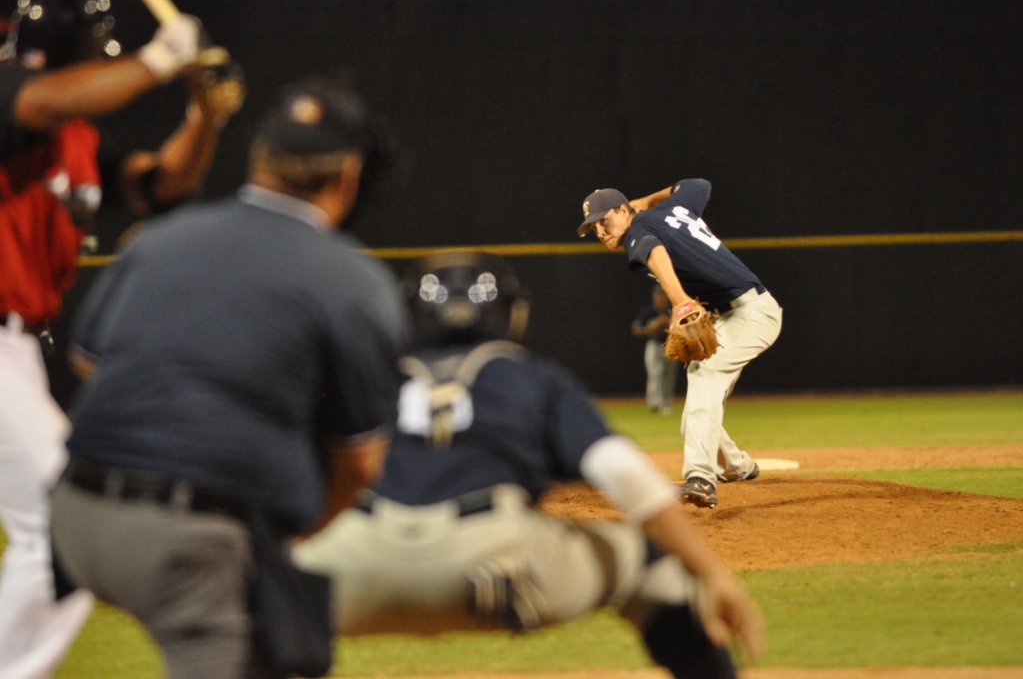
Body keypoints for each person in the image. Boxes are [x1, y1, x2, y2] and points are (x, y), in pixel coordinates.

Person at [49, 76, 408, 679]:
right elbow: (360, 462)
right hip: (187, 543)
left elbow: (89, 362)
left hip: (76, 521)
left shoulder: (157, 240)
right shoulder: (351, 281)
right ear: (348, 174)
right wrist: (295, 530)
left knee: (271, 651)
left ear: (259, 157)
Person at [293, 252, 762, 679]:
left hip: (356, 565)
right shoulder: (532, 377)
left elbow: (296, 472)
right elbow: (625, 476)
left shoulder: (371, 376)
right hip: (499, 564)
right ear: (512, 315)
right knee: (652, 562)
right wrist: (711, 573)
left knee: (259, 589)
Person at [0, 2, 238, 677]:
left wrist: (204, 118)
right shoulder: (17, 94)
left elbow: (159, 187)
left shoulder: (73, 137)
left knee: (66, 522)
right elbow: (41, 100)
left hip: (18, 349)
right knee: (66, 523)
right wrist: (161, 59)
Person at [576, 180, 782, 509]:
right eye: (593, 226)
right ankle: (737, 466)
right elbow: (699, 184)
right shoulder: (674, 208)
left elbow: (653, 251)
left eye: (604, 220)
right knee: (697, 402)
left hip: (751, 312)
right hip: (736, 313)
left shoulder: (636, 232)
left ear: (624, 211)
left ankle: (701, 478)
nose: (600, 230)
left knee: (705, 375)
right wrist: (645, 201)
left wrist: (680, 301)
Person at [632, 283, 677, 415]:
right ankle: (654, 403)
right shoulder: (648, 312)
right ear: (654, 296)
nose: (661, 297)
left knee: (669, 376)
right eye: (659, 295)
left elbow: (684, 327)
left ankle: (666, 403)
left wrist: (668, 323)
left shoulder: (673, 310)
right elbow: (636, 330)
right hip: (654, 344)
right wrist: (651, 327)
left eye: (663, 295)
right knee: (655, 373)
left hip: (671, 346)